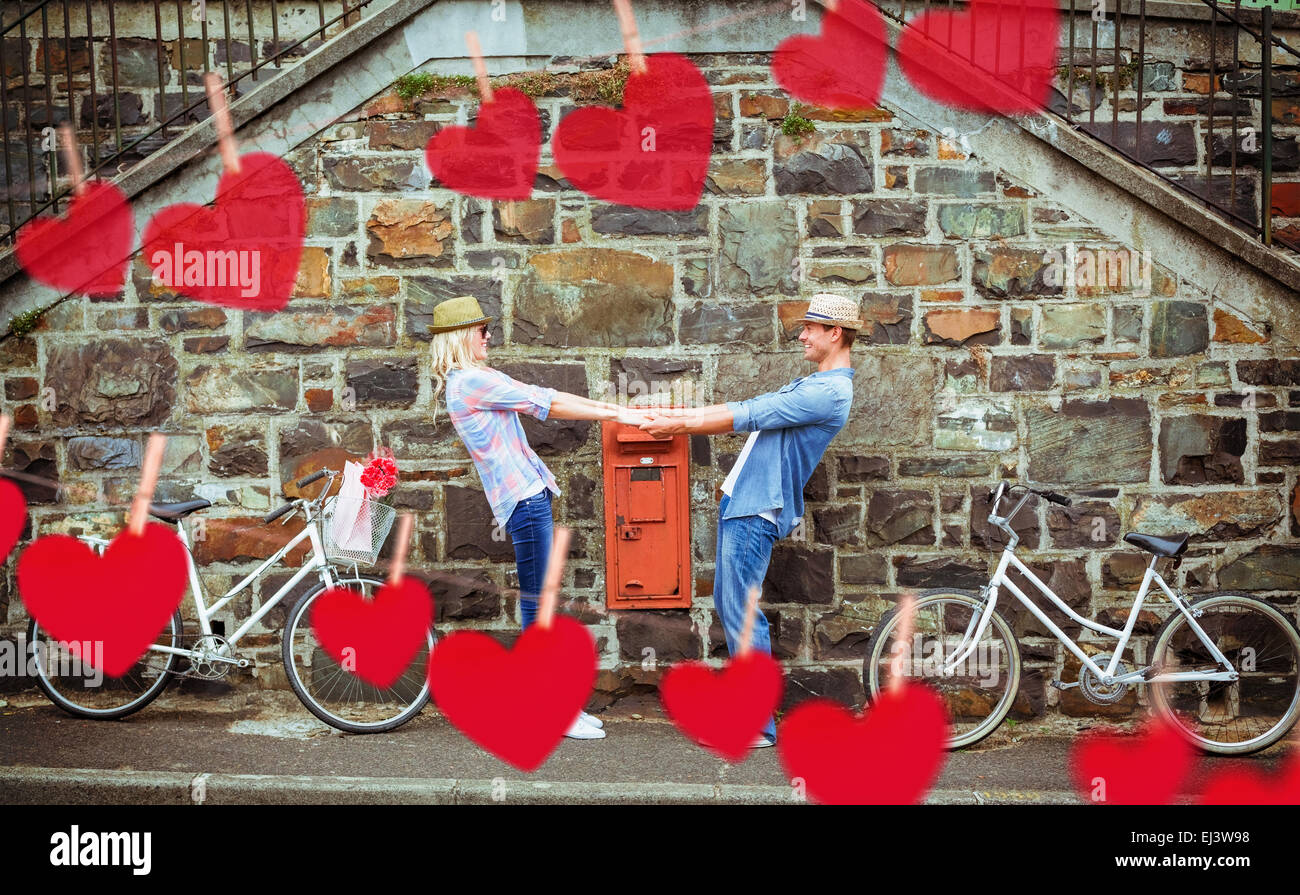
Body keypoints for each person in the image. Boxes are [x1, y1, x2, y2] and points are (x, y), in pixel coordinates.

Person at [640, 293, 860, 748]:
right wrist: (679, 418)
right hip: (744, 503)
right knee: (732, 607)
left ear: (834, 333)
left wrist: (677, 424)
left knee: (741, 614)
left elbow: (749, 413)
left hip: (757, 508)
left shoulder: (828, 391)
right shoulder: (813, 383)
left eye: (810, 328)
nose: (801, 335)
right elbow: (755, 405)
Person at [429, 295, 649, 740]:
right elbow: (545, 401)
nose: (488, 335)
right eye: (480, 329)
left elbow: (535, 400)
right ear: (460, 336)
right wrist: (616, 411)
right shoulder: (470, 382)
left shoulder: (478, 378)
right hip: (524, 504)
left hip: (529, 499)